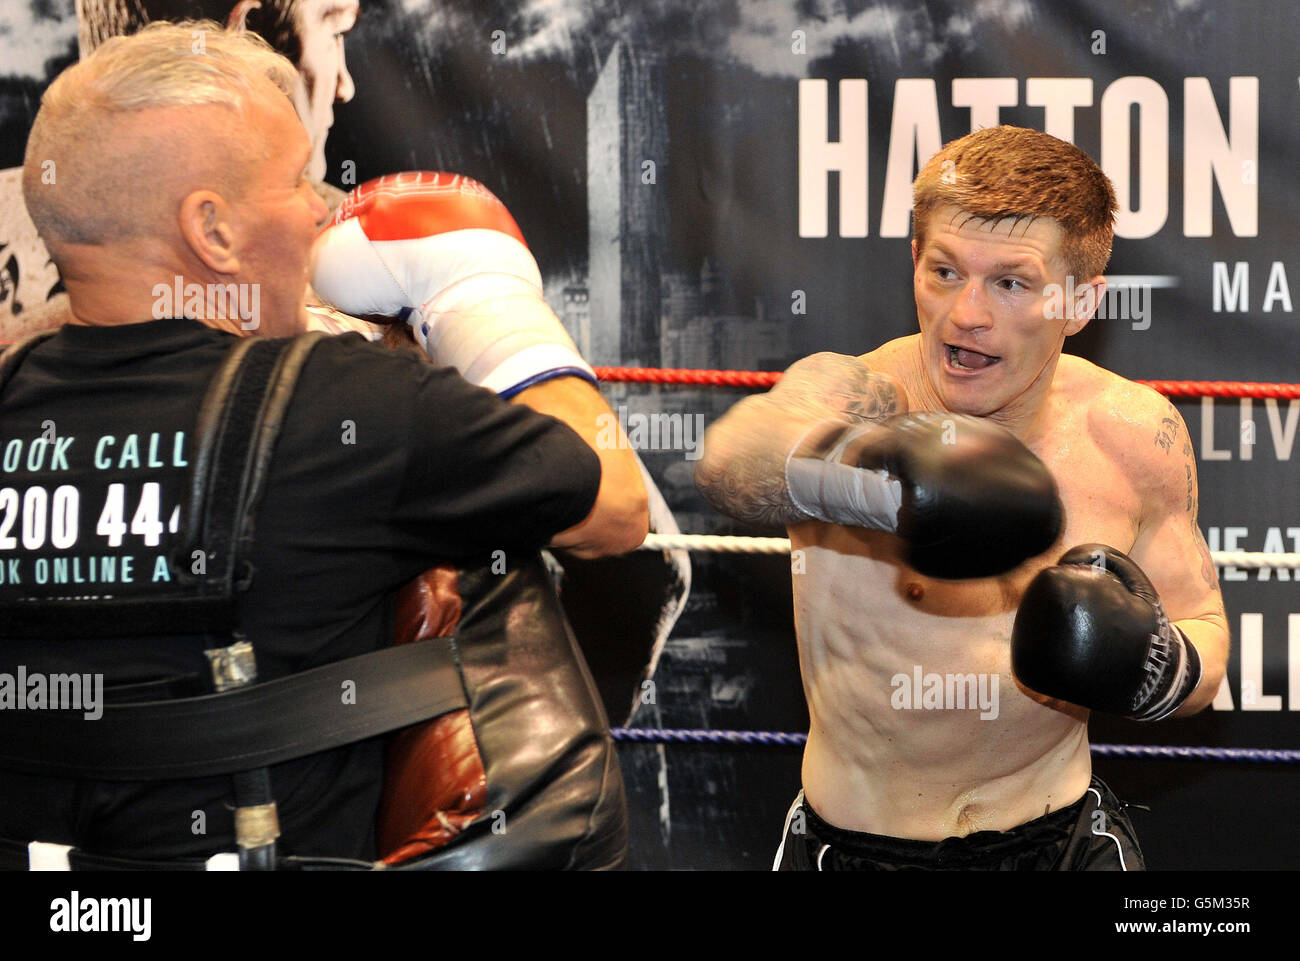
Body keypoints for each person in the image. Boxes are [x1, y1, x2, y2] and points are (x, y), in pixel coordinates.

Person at [0, 22, 646, 867]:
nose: (322, 207)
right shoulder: (349, 407)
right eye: (295, 180)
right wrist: (483, 300)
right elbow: (615, 507)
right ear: (213, 232)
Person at [695, 125, 1230, 871]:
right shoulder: (858, 399)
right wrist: (872, 480)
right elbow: (727, 459)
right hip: (854, 847)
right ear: (914, 259)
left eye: (1010, 282)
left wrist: (1153, 665)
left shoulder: (1133, 434)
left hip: (1059, 840)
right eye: (945, 271)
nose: (965, 314)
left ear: (1080, 301)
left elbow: (1205, 633)